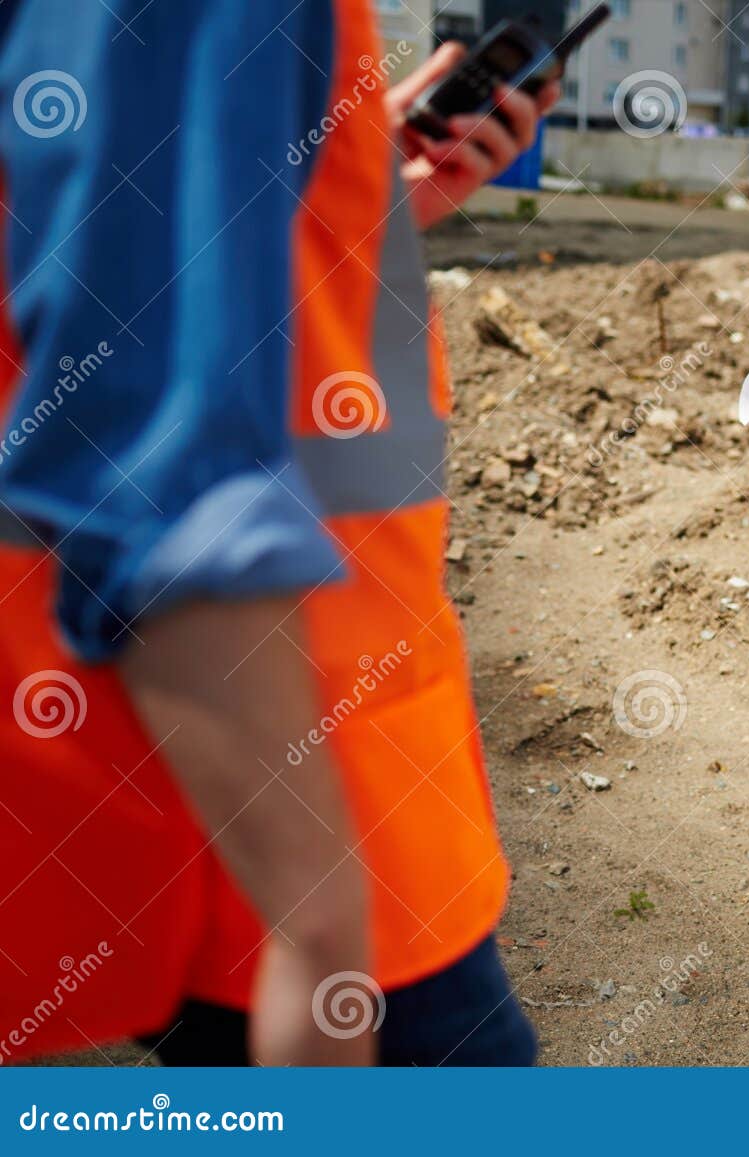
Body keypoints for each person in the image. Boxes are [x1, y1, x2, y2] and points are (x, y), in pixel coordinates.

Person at [0, 0, 557, 1064]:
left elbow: (123, 247)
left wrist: (347, 192)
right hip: (289, 790)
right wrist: (318, 922)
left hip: (247, 765)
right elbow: (158, 461)